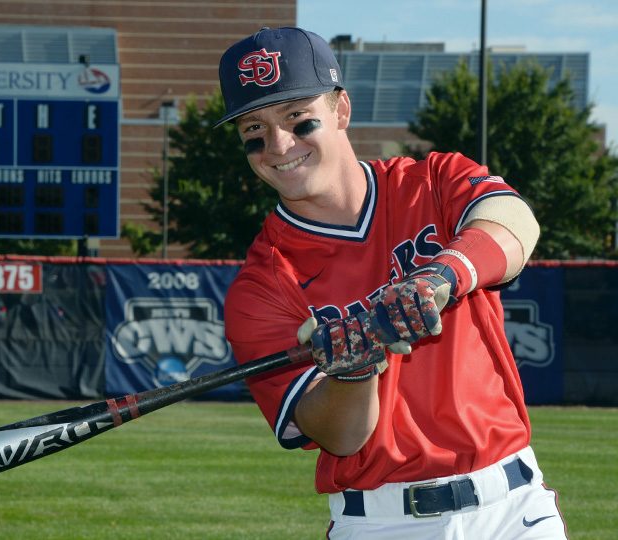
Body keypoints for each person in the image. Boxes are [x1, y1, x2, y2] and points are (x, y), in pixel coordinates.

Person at [219, 27, 567, 539]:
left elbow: (515, 223)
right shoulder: (260, 287)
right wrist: (354, 371)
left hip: (513, 509)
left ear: (341, 110)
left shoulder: (433, 180)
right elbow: (340, 436)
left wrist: (438, 276)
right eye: (255, 130)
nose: (279, 145)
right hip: (383, 522)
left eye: (298, 118)